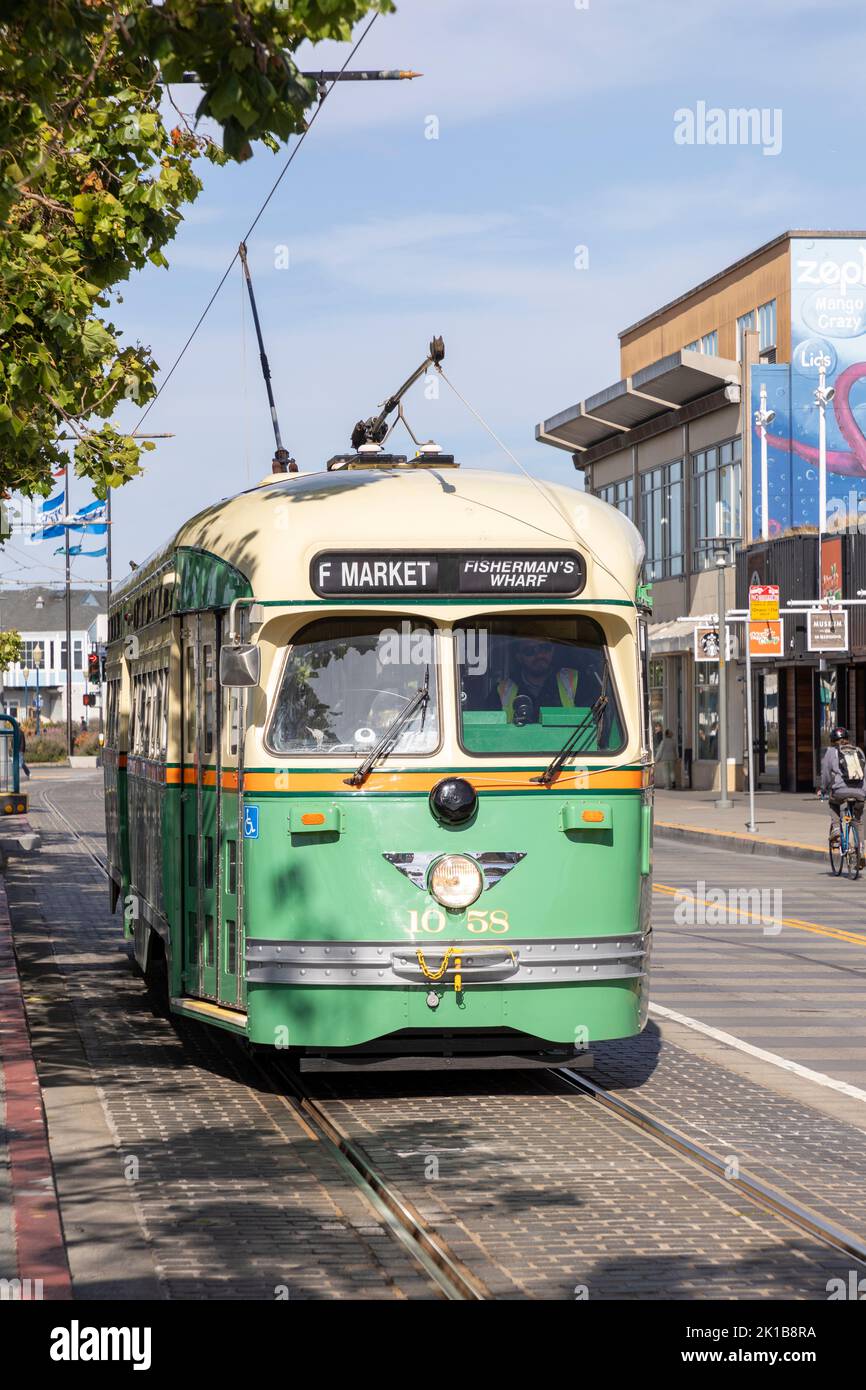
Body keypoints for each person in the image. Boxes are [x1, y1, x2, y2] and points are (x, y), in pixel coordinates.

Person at [494, 637, 581, 723]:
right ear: (519, 657)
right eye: (530, 651)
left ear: (552, 650)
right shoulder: (501, 690)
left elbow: (591, 724)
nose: (539, 655)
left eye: (545, 648)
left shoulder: (576, 680)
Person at [819, 726, 866, 863]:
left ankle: (836, 829)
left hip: (840, 791)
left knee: (833, 803)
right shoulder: (858, 751)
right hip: (859, 792)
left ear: (833, 741)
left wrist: (823, 789)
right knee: (858, 820)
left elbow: (826, 774)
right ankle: (861, 850)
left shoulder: (831, 752)